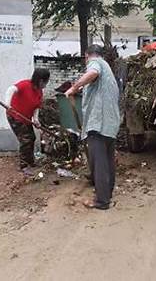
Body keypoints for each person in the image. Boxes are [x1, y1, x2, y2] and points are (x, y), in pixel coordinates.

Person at [64, 44, 121, 210]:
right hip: (110, 123)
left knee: (99, 163)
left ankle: (101, 201)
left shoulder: (96, 63)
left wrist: (74, 88)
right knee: (108, 162)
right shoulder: (108, 70)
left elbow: (93, 72)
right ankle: (107, 195)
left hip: (98, 123)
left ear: (87, 56)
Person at [5, 68, 50, 175]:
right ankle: (24, 165)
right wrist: (8, 104)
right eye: (46, 82)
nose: (46, 85)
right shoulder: (25, 85)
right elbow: (11, 89)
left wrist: (36, 119)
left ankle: (30, 161)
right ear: (40, 81)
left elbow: (36, 107)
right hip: (15, 116)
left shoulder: (39, 92)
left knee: (32, 138)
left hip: (26, 118)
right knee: (26, 140)